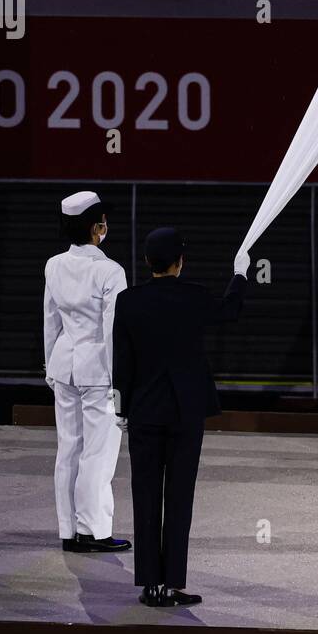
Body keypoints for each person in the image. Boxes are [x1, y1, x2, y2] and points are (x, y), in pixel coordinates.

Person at [112, 228, 249, 607]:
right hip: (186, 413)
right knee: (178, 499)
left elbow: (122, 362)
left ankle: (150, 587)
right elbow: (230, 310)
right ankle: (171, 583)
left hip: (143, 412)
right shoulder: (194, 296)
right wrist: (240, 275)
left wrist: (121, 408)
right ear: (180, 262)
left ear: (146, 262)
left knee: (145, 497)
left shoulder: (128, 302)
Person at [44, 190, 130, 554]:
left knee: (68, 450)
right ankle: (94, 531)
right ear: (97, 228)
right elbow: (114, 330)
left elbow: (51, 320)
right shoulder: (110, 271)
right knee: (98, 453)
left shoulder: (53, 265)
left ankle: (69, 531)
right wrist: (120, 381)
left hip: (64, 367)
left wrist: (50, 367)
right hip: (98, 372)